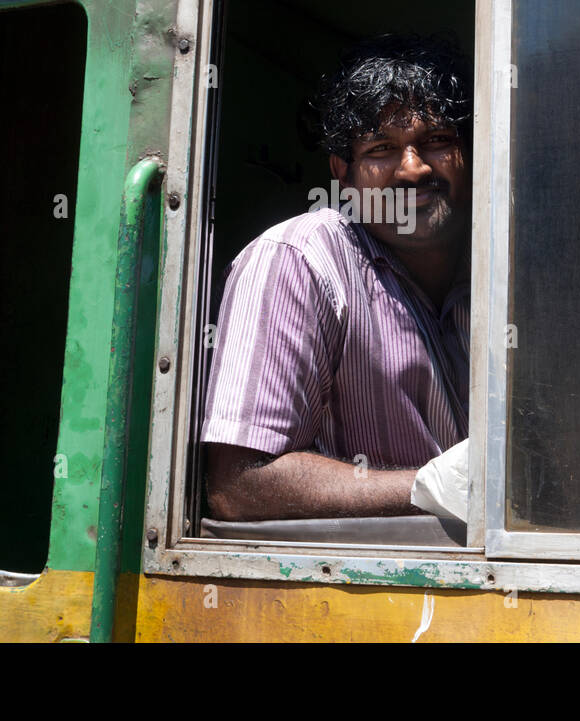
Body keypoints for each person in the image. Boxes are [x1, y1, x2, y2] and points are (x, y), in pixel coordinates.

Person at [201, 34, 472, 521]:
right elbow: (239, 484)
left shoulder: (502, 270)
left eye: (437, 140)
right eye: (381, 149)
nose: (412, 169)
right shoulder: (299, 259)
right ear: (344, 175)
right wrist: (430, 488)